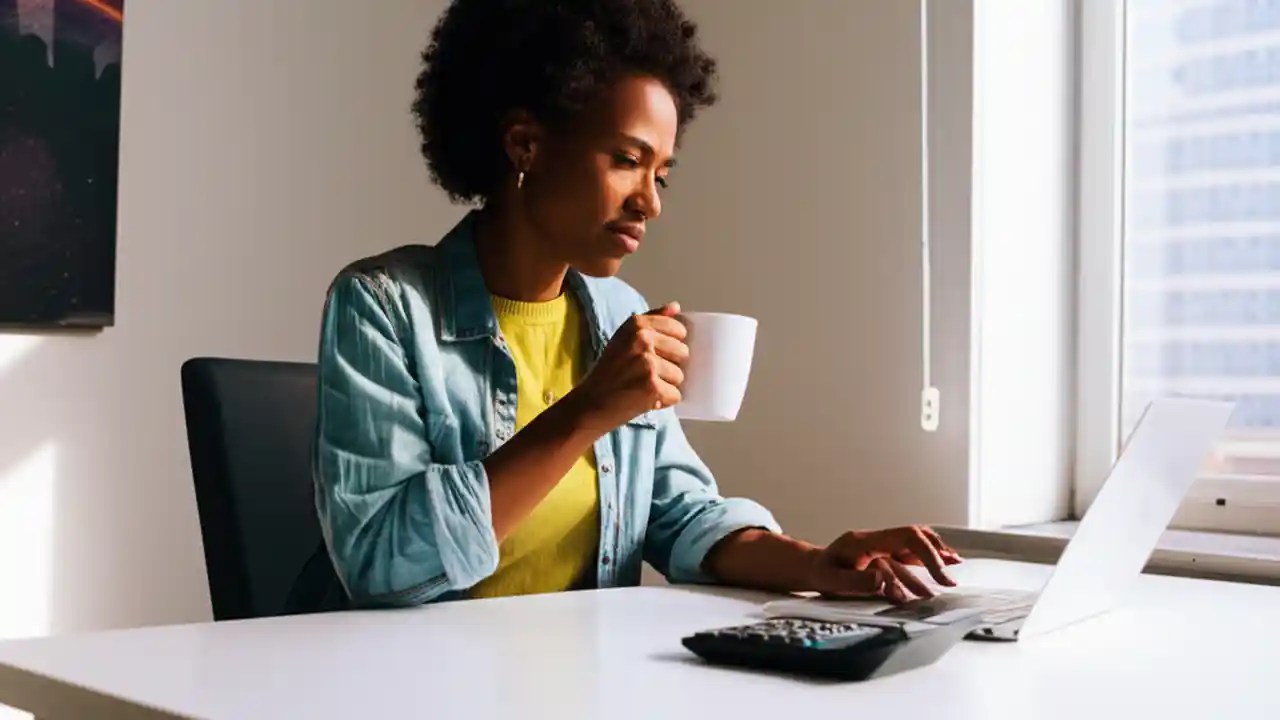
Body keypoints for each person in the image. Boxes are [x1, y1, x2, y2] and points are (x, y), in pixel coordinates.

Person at [311, 0, 962, 610]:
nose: (650, 201)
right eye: (627, 160)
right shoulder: (383, 309)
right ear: (524, 145)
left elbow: (680, 516)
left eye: (662, 175)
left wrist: (816, 564)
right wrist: (586, 412)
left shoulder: (620, 312)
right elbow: (380, 565)